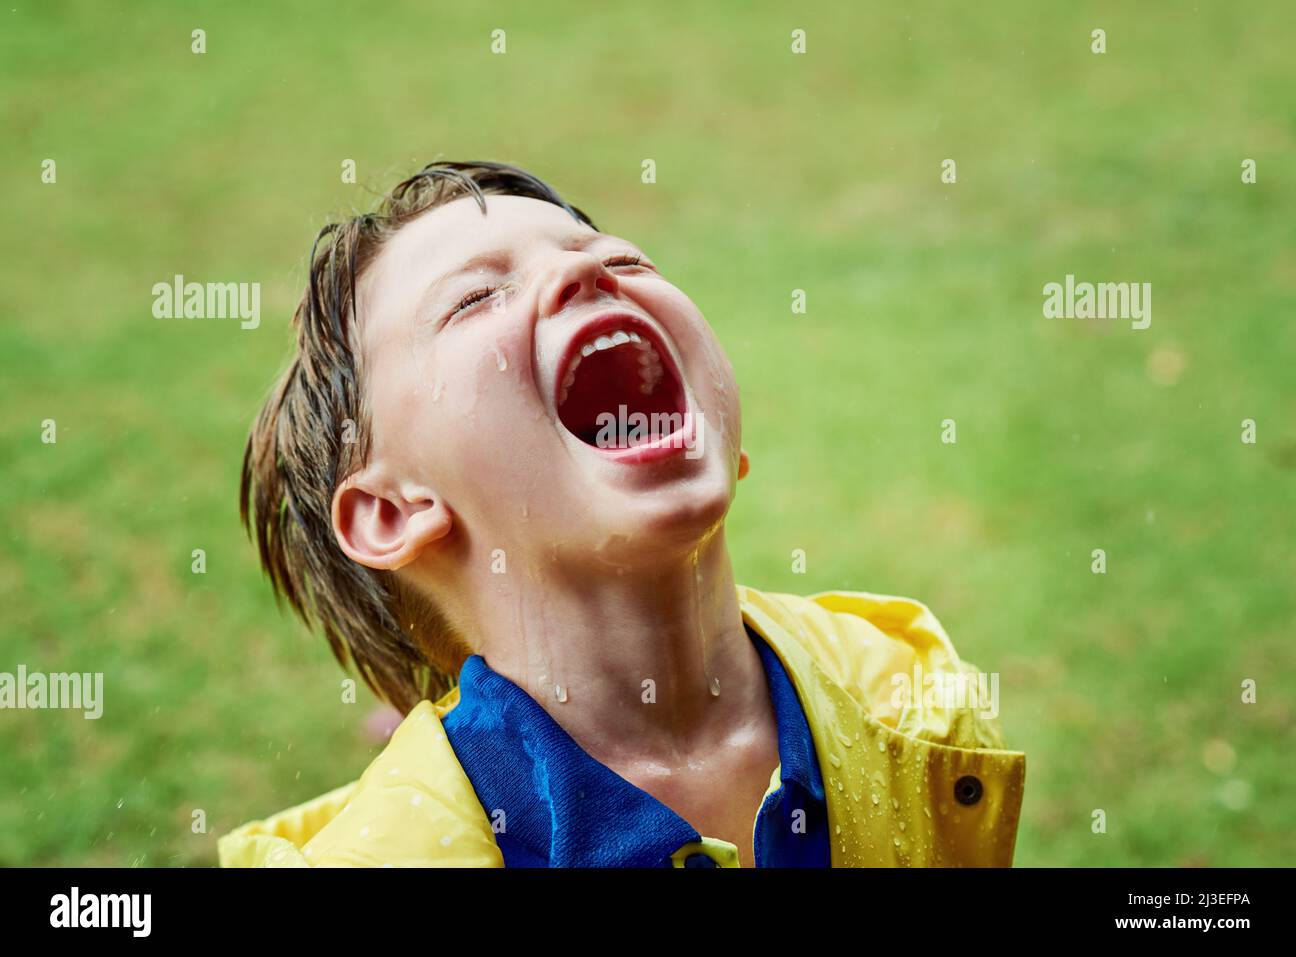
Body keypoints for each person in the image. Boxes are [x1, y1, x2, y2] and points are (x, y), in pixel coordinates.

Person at [218, 160, 1025, 868]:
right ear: (394, 510)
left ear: (724, 439)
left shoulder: (915, 712)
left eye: (622, 258)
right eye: (474, 299)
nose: (588, 275)